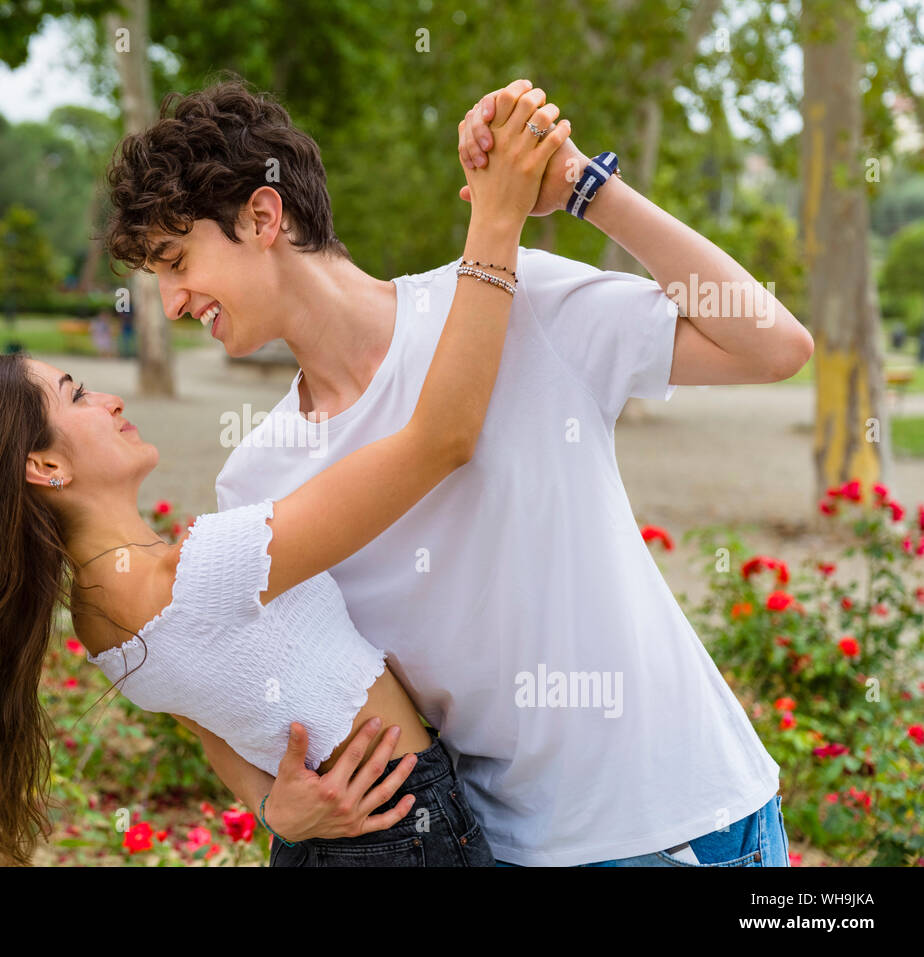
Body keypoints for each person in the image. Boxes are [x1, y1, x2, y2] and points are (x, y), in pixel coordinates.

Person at [102, 78, 813, 867]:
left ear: (263, 216)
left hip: (683, 815)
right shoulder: (257, 476)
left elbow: (773, 345)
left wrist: (583, 185)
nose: (168, 302)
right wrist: (273, 804)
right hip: (505, 847)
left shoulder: (518, 297)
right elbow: (209, 671)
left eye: (175, 260)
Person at [0, 92, 569, 867]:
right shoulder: (209, 571)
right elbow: (440, 439)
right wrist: (497, 219)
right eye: (75, 395)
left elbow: (208, 717)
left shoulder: (101, 618)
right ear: (44, 465)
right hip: (403, 830)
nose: (107, 398)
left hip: (329, 839)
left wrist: (275, 808)